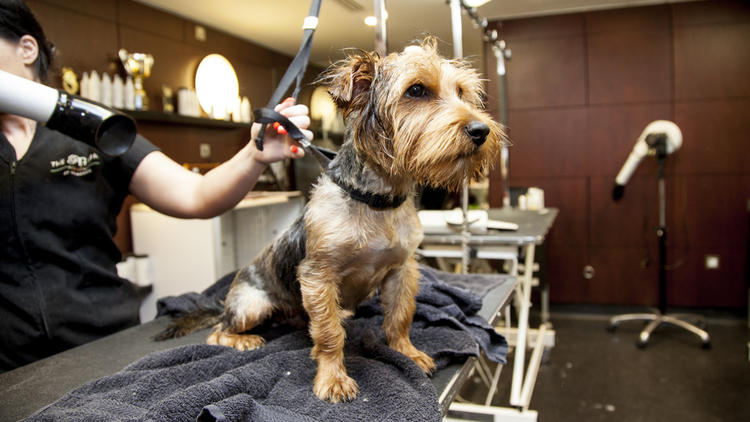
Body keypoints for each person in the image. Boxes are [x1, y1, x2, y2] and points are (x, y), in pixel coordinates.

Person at [0, 0, 311, 371]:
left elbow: (196, 195)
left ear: (27, 48)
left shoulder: (91, 128)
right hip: (10, 365)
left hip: (102, 348)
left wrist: (255, 154)